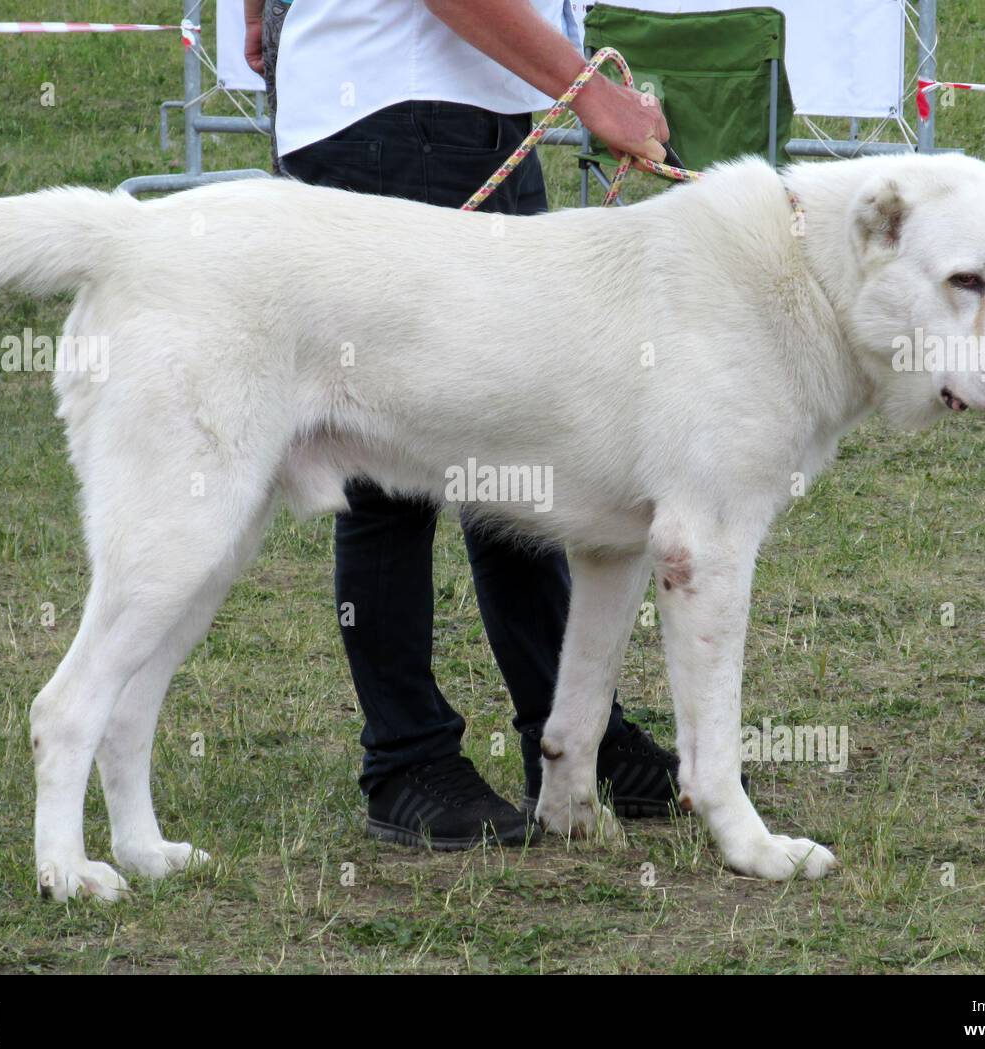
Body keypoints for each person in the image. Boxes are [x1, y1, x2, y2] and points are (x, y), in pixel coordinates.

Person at [245, 0, 681, 851]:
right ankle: (405, 760)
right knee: (384, 455)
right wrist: (591, 93)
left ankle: (571, 737)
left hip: (449, 106)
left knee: (516, 446)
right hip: (404, 113)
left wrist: (264, 16)